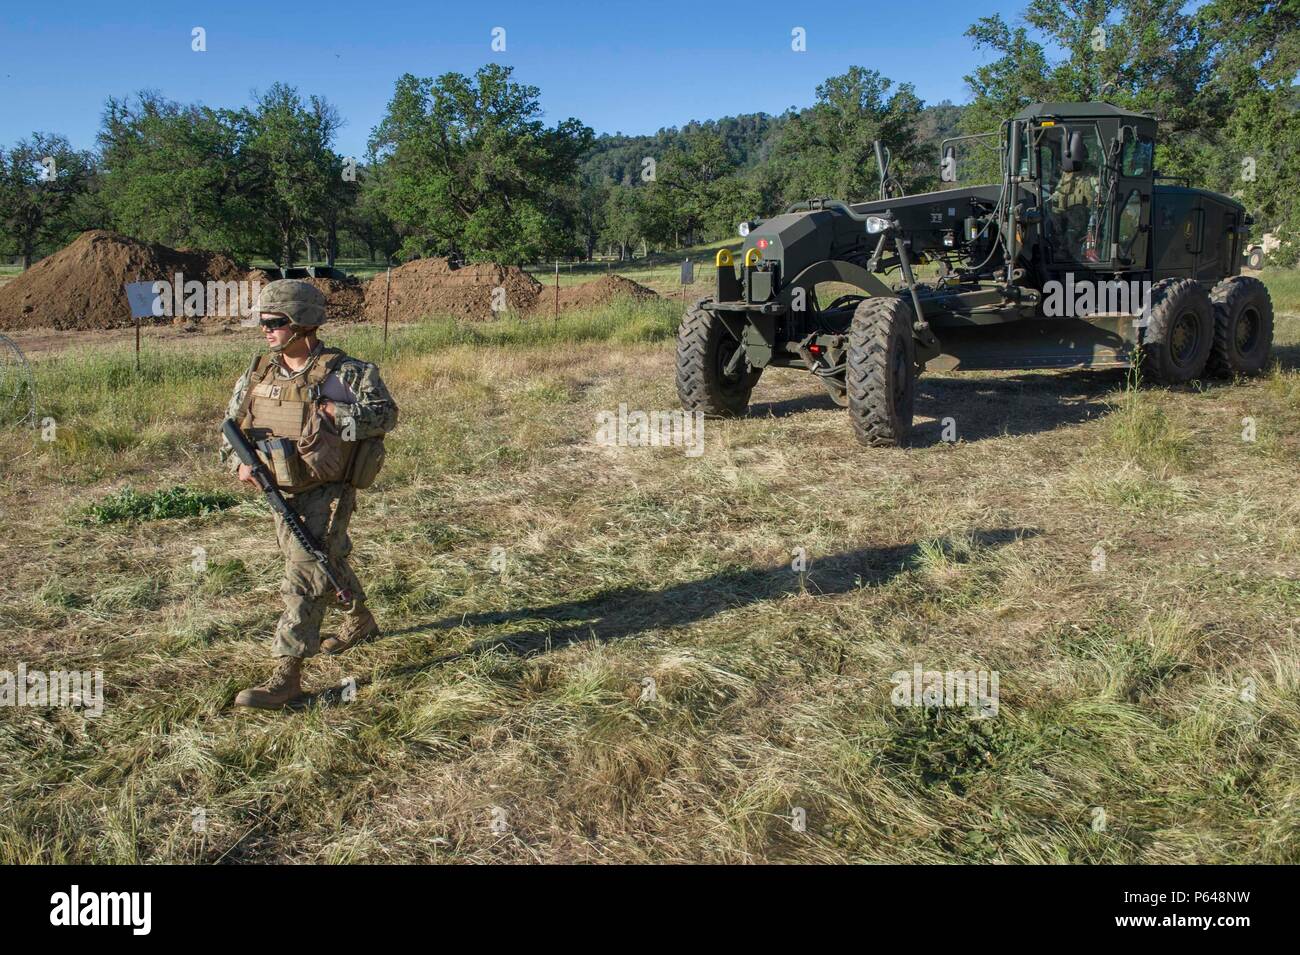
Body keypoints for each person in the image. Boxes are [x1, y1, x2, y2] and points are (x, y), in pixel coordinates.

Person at [220, 279, 398, 709]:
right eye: (262, 322)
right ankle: (359, 619)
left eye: (275, 322)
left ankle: (288, 675)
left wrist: (339, 412)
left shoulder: (344, 373)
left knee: (303, 574)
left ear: (303, 324)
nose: (266, 330)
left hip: (328, 490)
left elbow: (386, 416)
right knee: (326, 560)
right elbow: (229, 430)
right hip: (279, 490)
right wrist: (240, 464)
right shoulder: (260, 372)